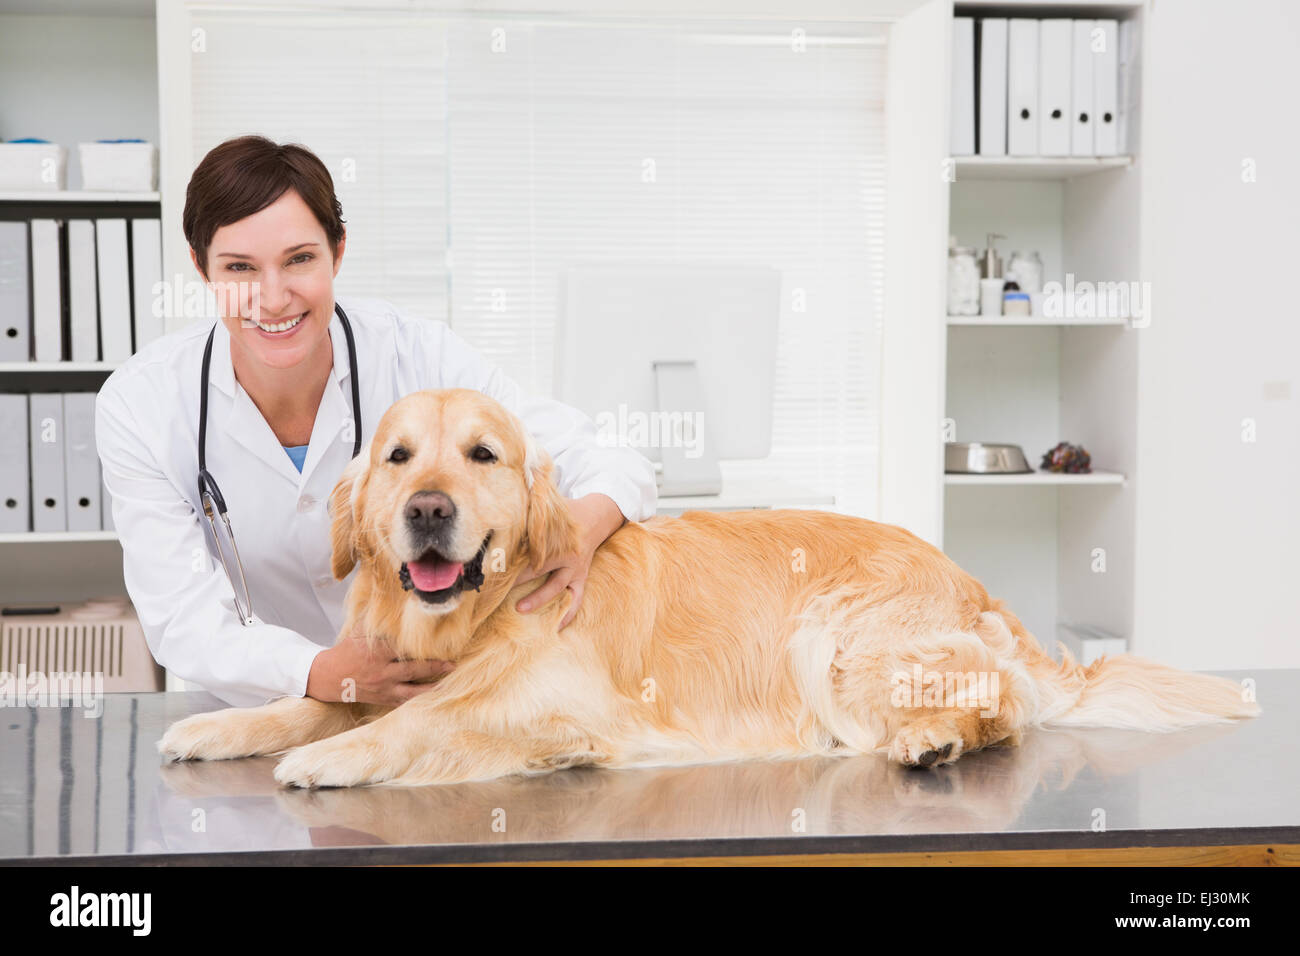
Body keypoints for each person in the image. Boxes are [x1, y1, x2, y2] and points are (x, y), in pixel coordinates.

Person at [95, 135, 657, 709]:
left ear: (337, 252)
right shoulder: (143, 404)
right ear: (201, 268)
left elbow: (610, 457)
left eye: (299, 260)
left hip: (436, 697)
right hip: (262, 708)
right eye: (240, 268)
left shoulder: (417, 355)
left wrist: (579, 533)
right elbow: (180, 617)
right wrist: (320, 671)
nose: (273, 297)